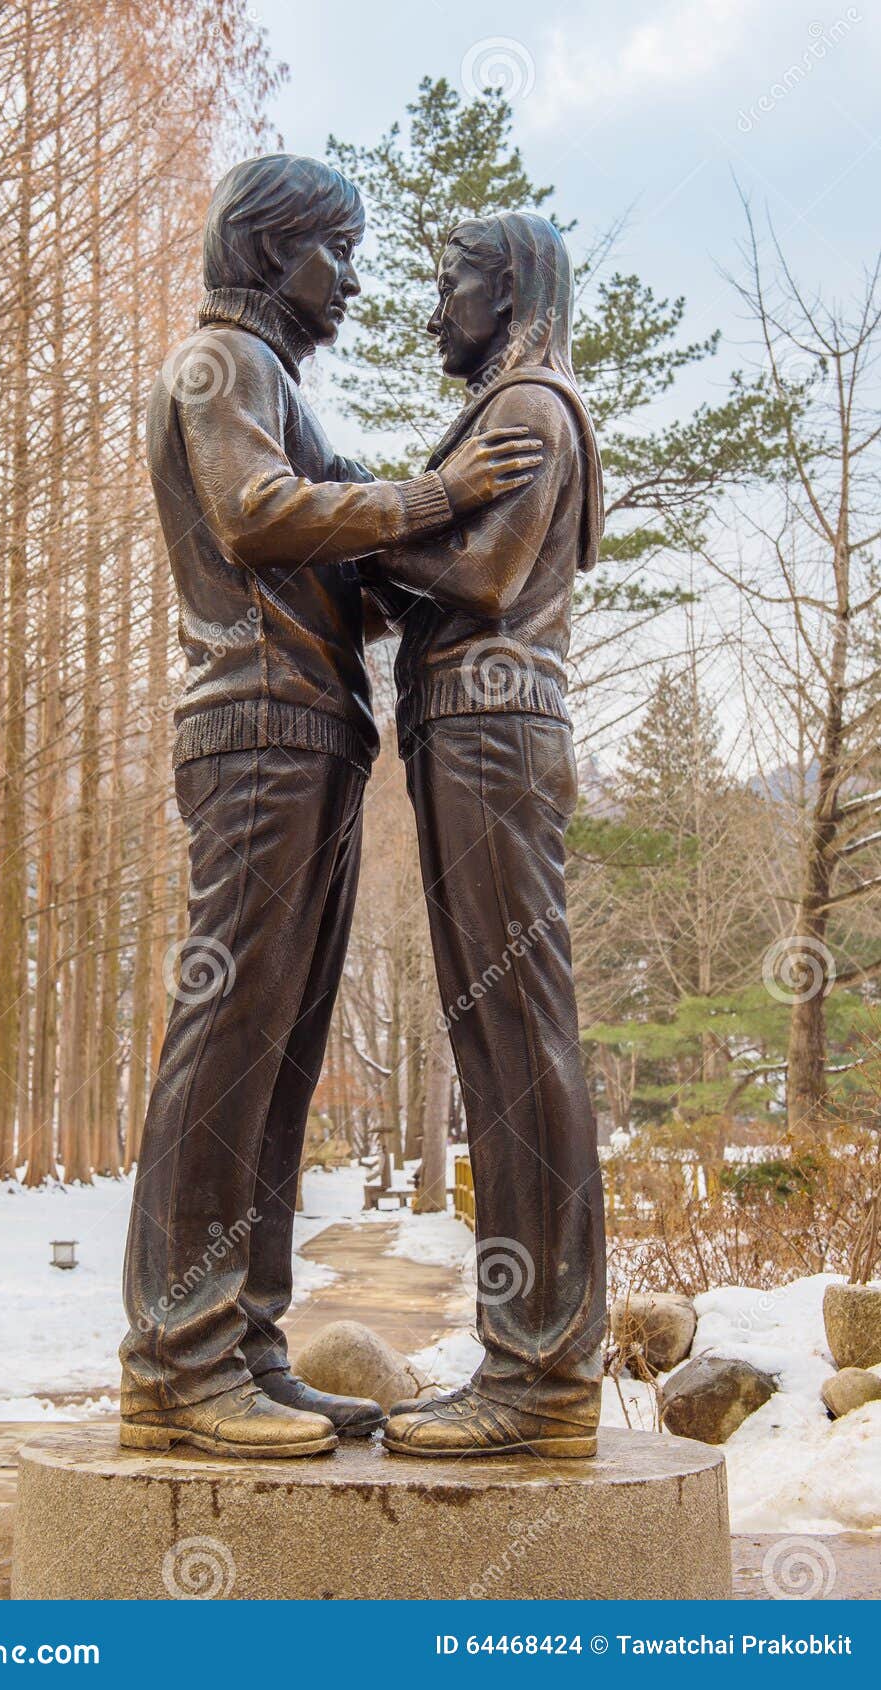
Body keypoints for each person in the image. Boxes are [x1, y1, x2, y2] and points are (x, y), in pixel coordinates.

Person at [119, 156, 541, 1458]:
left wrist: (431, 546)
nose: (354, 280)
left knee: (281, 1051)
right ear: (269, 247)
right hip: (256, 729)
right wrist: (439, 496)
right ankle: (177, 1359)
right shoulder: (223, 365)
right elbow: (259, 515)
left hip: (308, 735)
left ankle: (243, 1341)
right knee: (228, 1038)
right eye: (337, 251)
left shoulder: (275, 384)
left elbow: (340, 549)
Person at [364, 212, 607, 1459]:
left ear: (507, 288)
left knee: (519, 1035)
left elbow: (489, 574)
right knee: (496, 1037)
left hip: (493, 727)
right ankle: (530, 1352)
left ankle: (546, 1369)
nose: (432, 312)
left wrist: (360, 528)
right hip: (471, 727)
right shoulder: (509, 405)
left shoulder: (526, 408)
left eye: (450, 283)